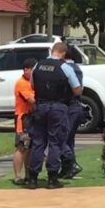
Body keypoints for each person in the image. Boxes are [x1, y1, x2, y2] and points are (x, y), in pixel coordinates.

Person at [27, 42, 82, 190]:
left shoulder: (37, 66)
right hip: (58, 107)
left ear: (52, 51)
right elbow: (77, 91)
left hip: (40, 106)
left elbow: (32, 86)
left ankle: (32, 178)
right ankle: (52, 178)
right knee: (55, 142)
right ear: (63, 53)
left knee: (38, 142)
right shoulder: (65, 67)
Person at [12, 58, 37, 186]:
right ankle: (17, 176)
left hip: (33, 117)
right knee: (21, 146)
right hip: (23, 118)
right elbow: (32, 100)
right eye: (32, 70)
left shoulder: (34, 83)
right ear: (26, 69)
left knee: (31, 148)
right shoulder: (21, 83)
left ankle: (28, 174)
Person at [61, 45, 84, 179]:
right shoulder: (76, 68)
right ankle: (66, 169)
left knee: (62, 138)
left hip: (70, 107)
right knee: (69, 139)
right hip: (75, 107)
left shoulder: (68, 69)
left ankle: (71, 163)